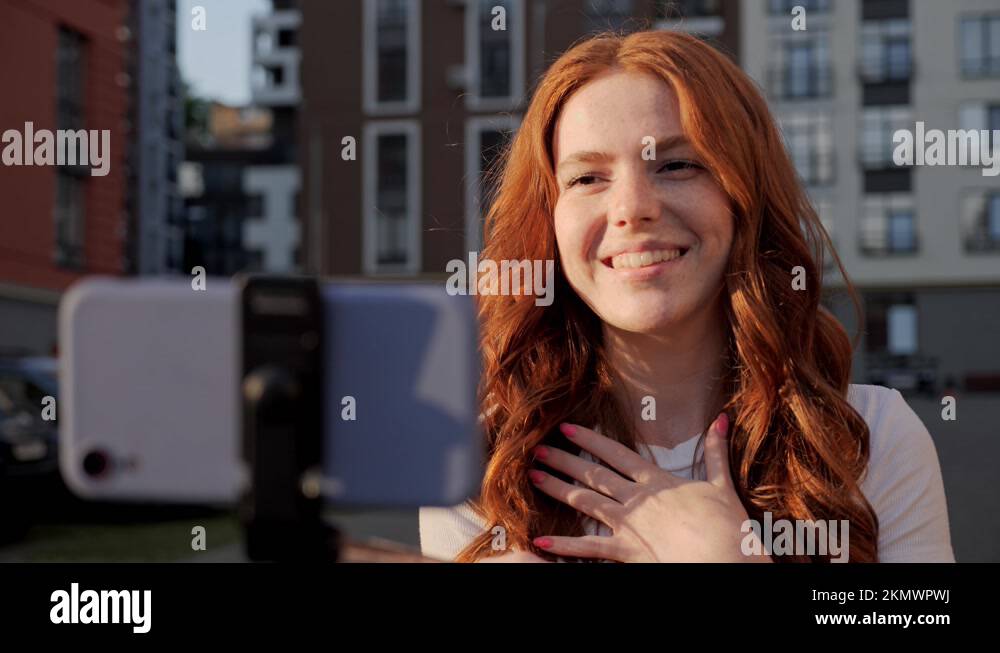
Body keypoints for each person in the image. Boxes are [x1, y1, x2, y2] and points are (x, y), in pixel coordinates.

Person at [419, 29, 954, 563]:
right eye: (587, 178)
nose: (632, 208)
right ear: (548, 221)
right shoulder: (481, 465)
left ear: (744, 196)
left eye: (676, 165)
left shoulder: (873, 437)